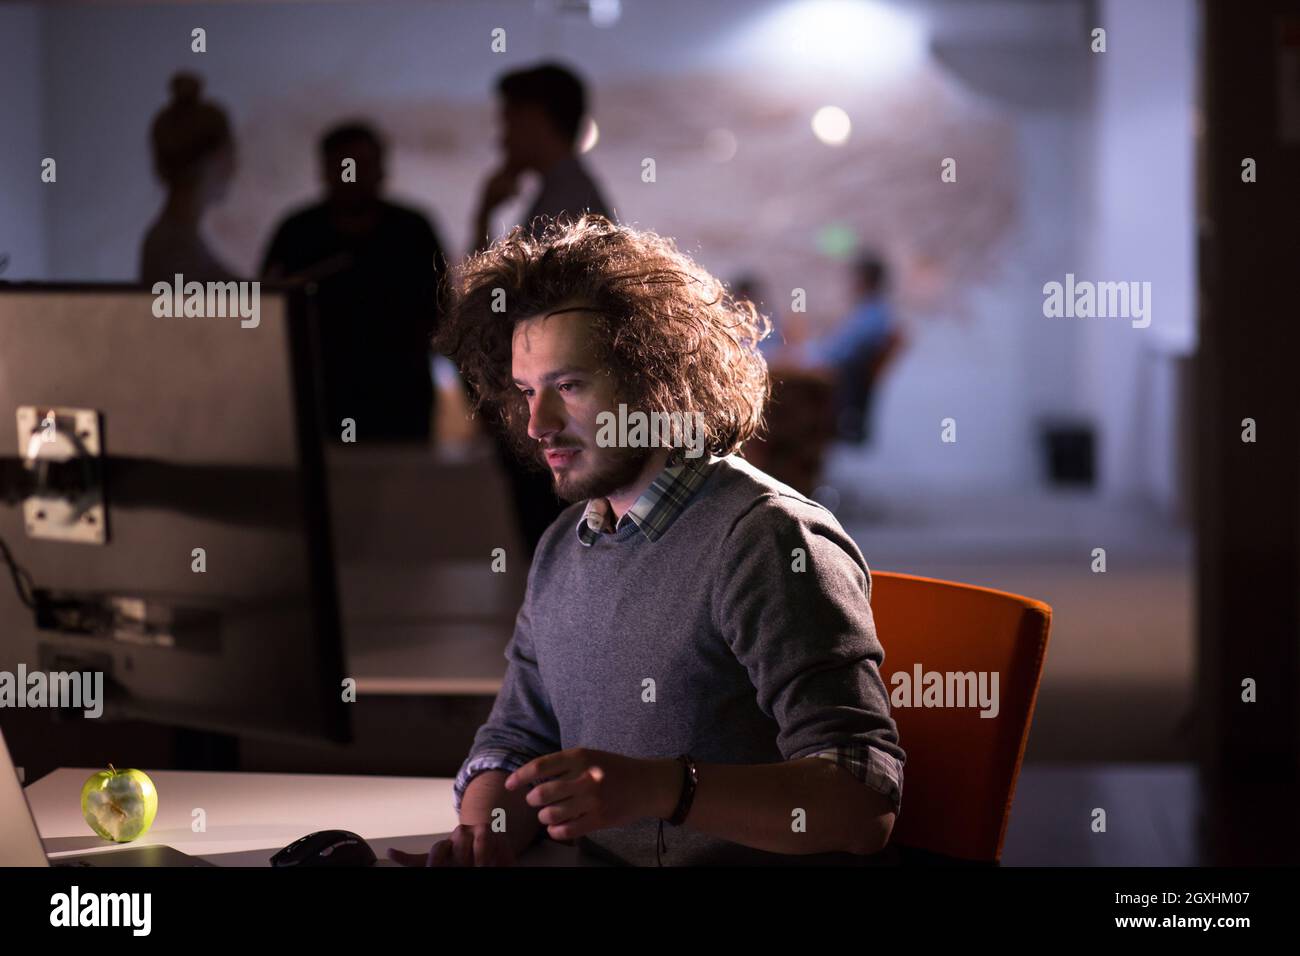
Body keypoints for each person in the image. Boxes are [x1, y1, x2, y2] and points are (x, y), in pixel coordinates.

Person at [393, 214, 904, 867]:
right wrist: (490, 827)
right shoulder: (565, 542)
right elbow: (515, 740)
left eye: (569, 387)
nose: (537, 423)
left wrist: (664, 789)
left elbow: (861, 801)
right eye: (526, 392)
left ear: (656, 380)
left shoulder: (767, 540)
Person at [468, 62, 616, 554]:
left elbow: (489, 304)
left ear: (536, 118)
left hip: (554, 406)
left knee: (552, 545)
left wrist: (484, 211)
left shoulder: (566, 203)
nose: (501, 136)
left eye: (508, 120)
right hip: (558, 400)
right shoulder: (565, 194)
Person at [261, 122, 449, 443]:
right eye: (346, 166)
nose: (353, 176)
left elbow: (442, 309)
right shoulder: (298, 233)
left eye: (363, 165)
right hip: (322, 397)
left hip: (401, 398)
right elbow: (268, 308)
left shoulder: (411, 230)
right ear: (325, 171)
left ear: (381, 169)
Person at [139, 72, 238, 282]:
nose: (233, 169)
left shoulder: (175, 238)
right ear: (212, 162)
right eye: (230, 155)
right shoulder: (171, 246)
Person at [801, 254, 897, 445]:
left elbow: (837, 354)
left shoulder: (870, 316)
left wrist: (806, 358)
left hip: (835, 385)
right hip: (839, 382)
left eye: (855, 277)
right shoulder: (872, 312)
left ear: (865, 280)